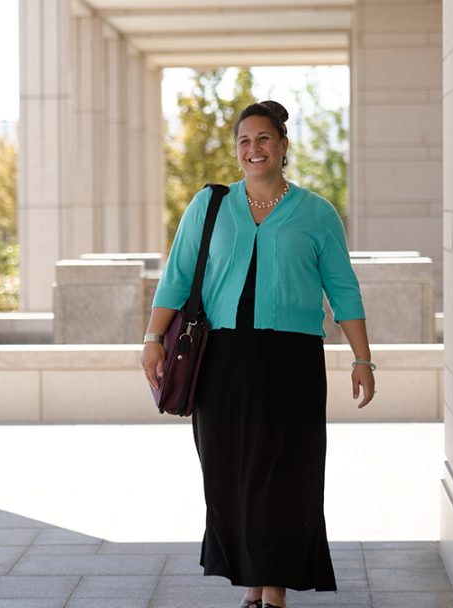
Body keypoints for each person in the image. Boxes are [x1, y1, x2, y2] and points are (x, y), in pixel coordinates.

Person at [140, 100, 376, 608]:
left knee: (286, 476)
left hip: (291, 363)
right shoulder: (209, 206)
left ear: (284, 146)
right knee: (228, 473)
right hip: (221, 361)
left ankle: (274, 592)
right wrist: (152, 338)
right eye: (245, 141)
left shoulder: (316, 212)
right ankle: (253, 583)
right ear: (237, 150)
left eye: (264, 139)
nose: (254, 149)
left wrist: (362, 359)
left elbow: (343, 289)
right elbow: (178, 275)